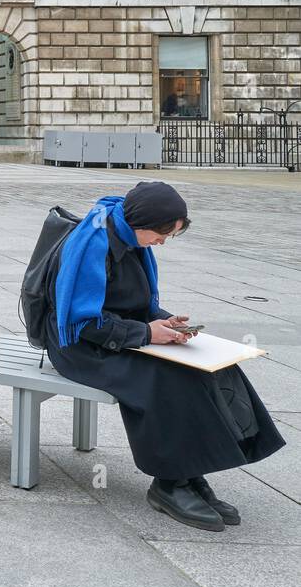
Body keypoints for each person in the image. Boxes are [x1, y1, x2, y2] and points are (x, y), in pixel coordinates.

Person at [45, 182, 284, 532]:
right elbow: (82, 322)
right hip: (79, 347)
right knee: (166, 379)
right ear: (141, 222)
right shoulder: (93, 244)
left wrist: (161, 322)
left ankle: (189, 473)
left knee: (209, 367)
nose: (162, 242)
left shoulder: (129, 238)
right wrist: (146, 333)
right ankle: (169, 483)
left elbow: (136, 304)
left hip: (115, 335)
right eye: (161, 233)